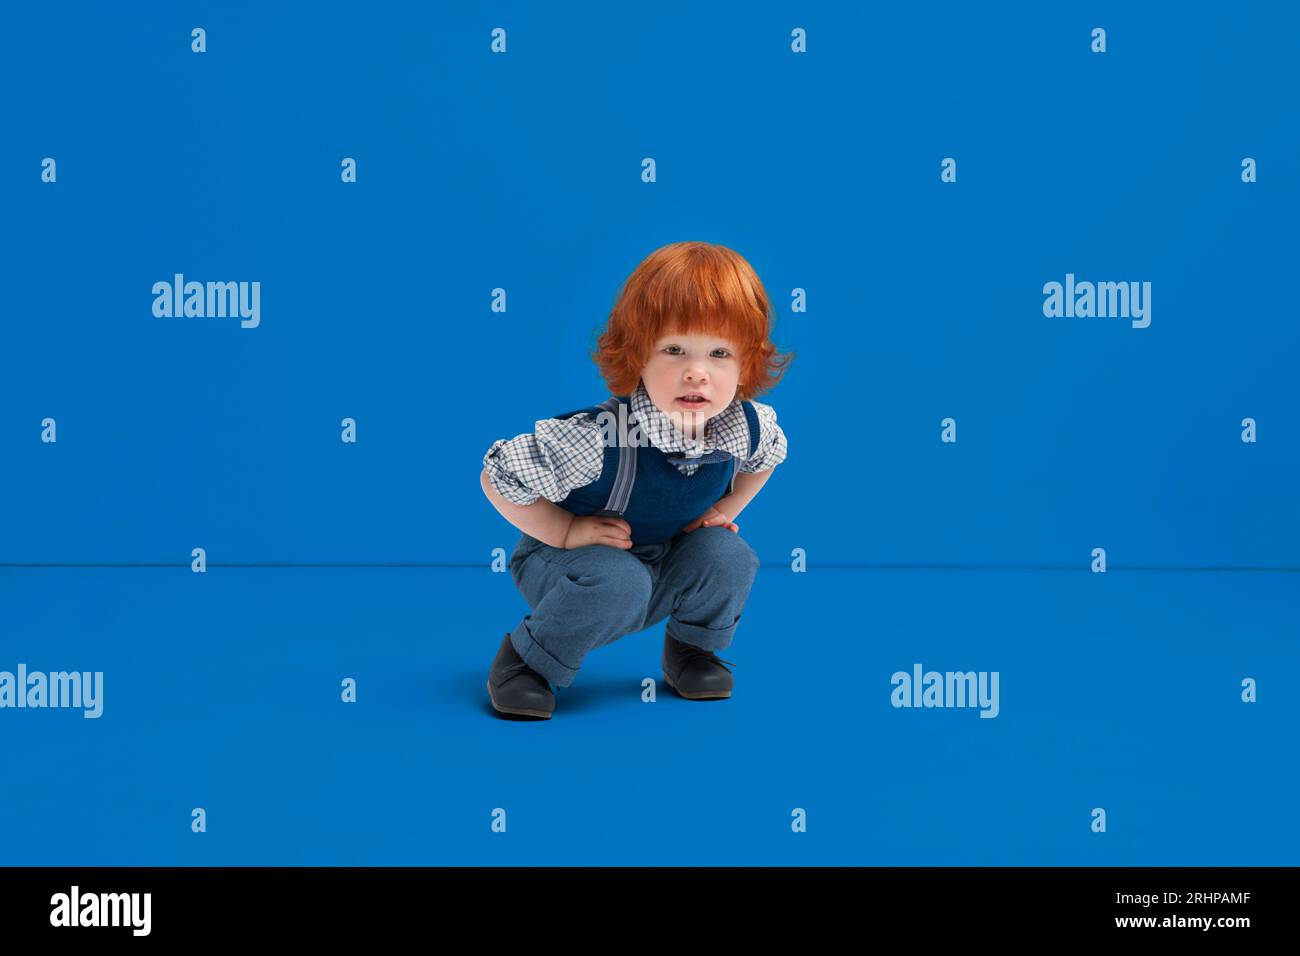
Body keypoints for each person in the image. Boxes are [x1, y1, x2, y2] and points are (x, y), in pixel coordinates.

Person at [479, 241, 793, 719]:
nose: (696, 372)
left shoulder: (743, 427)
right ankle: (527, 661)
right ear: (637, 356)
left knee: (730, 555)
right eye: (673, 349)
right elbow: (497, 477)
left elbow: (769, 457)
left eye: (719, 352)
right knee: (621, 582)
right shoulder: (601, 438)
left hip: (657, 562)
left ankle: (692, 652)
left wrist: (726, 510)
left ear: (746, 363)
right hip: (569, 566)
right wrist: (565, 531)